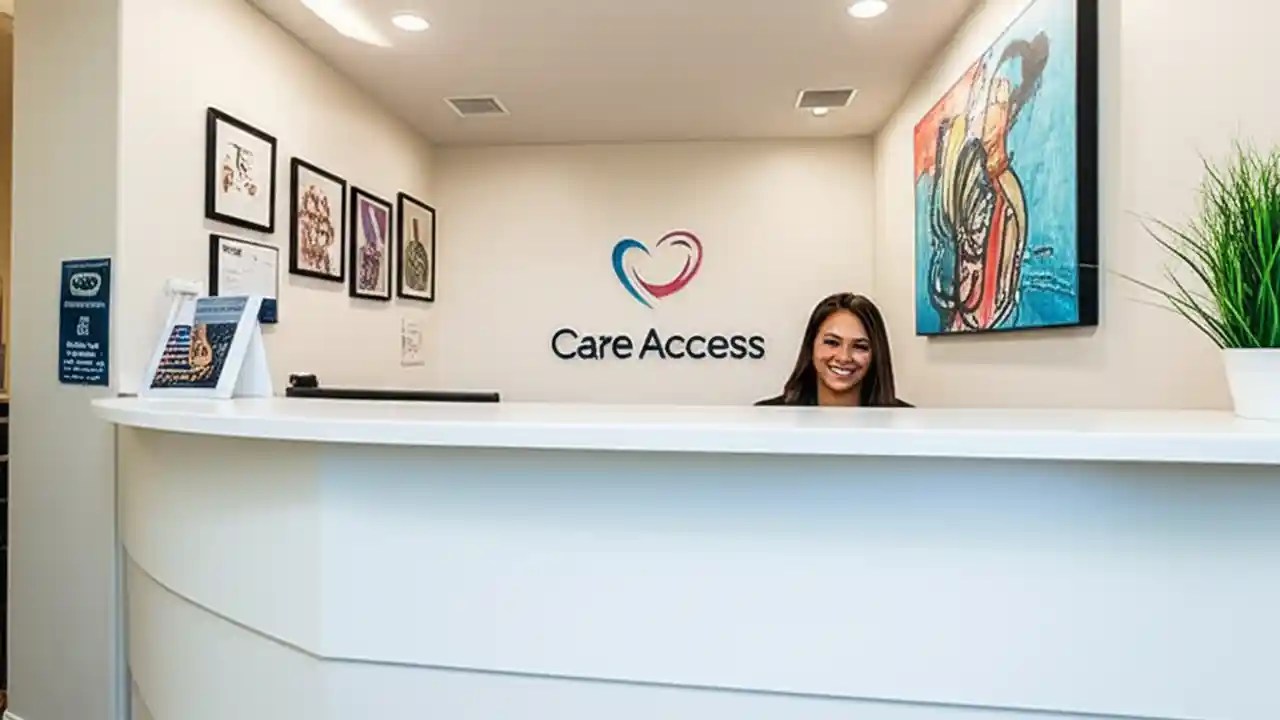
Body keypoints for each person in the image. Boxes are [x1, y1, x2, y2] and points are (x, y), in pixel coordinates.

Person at [756, 292, 912, 407]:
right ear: (811, 345)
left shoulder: (906, 421)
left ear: (876, 353)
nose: (844, 357)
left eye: (860, 346)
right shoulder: (767, 416)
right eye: (832, 342)